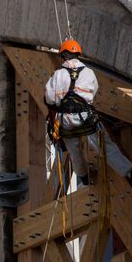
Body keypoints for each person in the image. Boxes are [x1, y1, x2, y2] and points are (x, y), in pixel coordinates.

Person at [44, 38, 99, 186]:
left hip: (65, 120)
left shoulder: (58, 74)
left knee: (74, 150)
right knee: (102, 144)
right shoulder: (89, 73)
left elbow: (49, 99)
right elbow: (93, 94)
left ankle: (83, 176)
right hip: (84, 117)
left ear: (63, 56)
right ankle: (128, 172)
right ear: (78, 55)